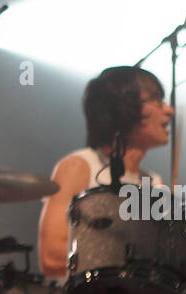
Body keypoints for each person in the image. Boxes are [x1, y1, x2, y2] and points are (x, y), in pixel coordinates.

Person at [38, 66, 173, 279]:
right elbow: (53, 254)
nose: (169, 111)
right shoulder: (80, 166)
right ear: (125, 107)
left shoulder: (155, 183)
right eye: (157, 101)